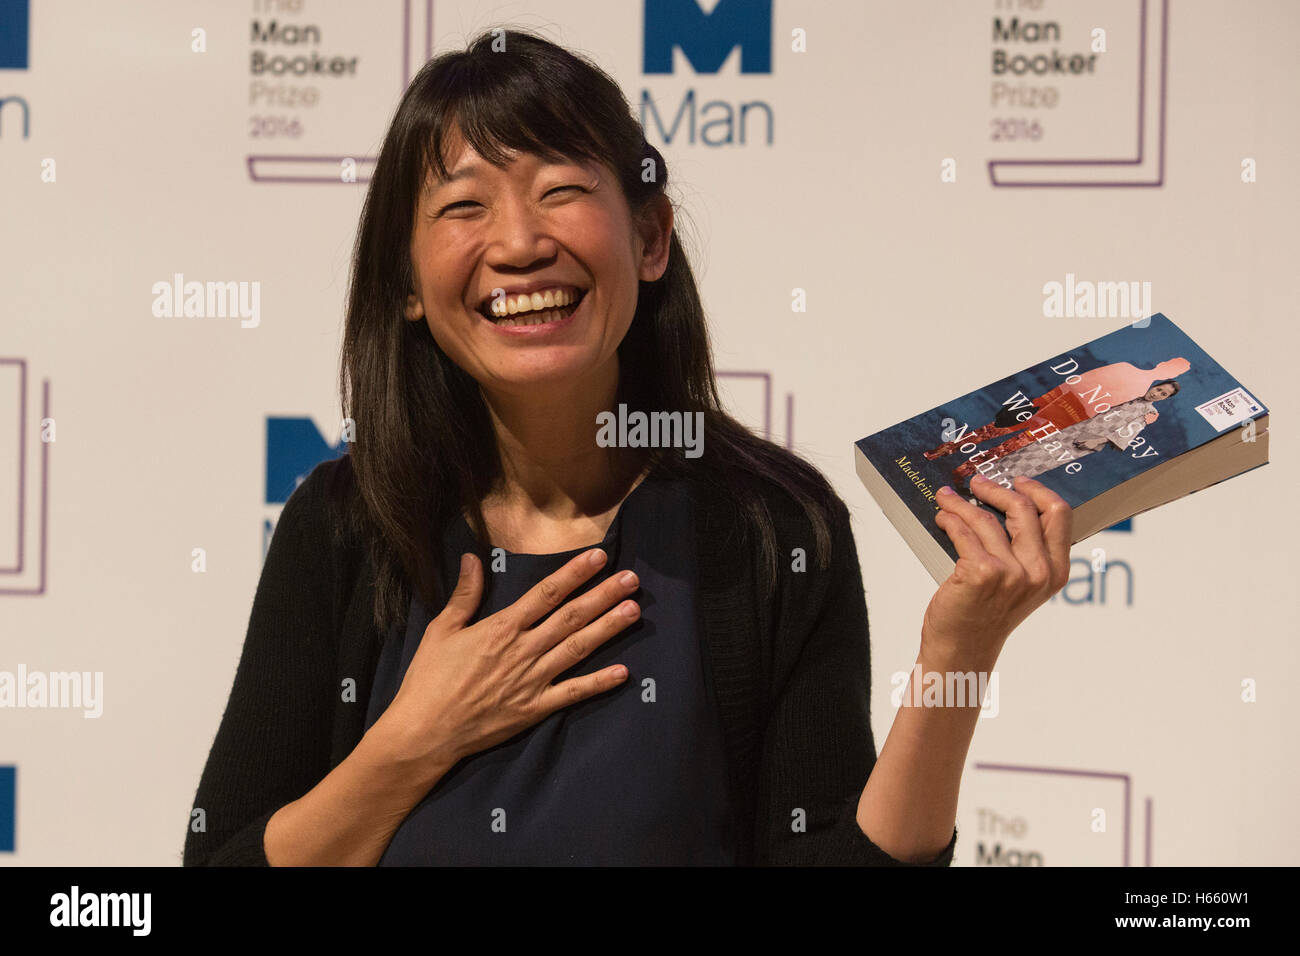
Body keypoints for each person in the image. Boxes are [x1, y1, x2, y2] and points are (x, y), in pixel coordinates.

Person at [182, 28, 1073, 867]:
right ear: (406, 284)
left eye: (560, 190)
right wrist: (417, 740)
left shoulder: (771, 529)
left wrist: (958, 659)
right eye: (463, 205)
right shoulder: (347, 525)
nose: (521, 243)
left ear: (649, 239)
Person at [951, 382, 1179, 491]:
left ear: (1165, 399)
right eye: (1159, 389)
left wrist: (1096, 441)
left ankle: (981, 490)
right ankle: (975, 478)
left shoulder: (1148, 413)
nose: (1157, 394)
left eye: (1164, 394)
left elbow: (1124, 434)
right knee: (1021, 452)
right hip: (1069, 427)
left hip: (1084, 441)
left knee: (1033, 464)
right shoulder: (1129, 391)